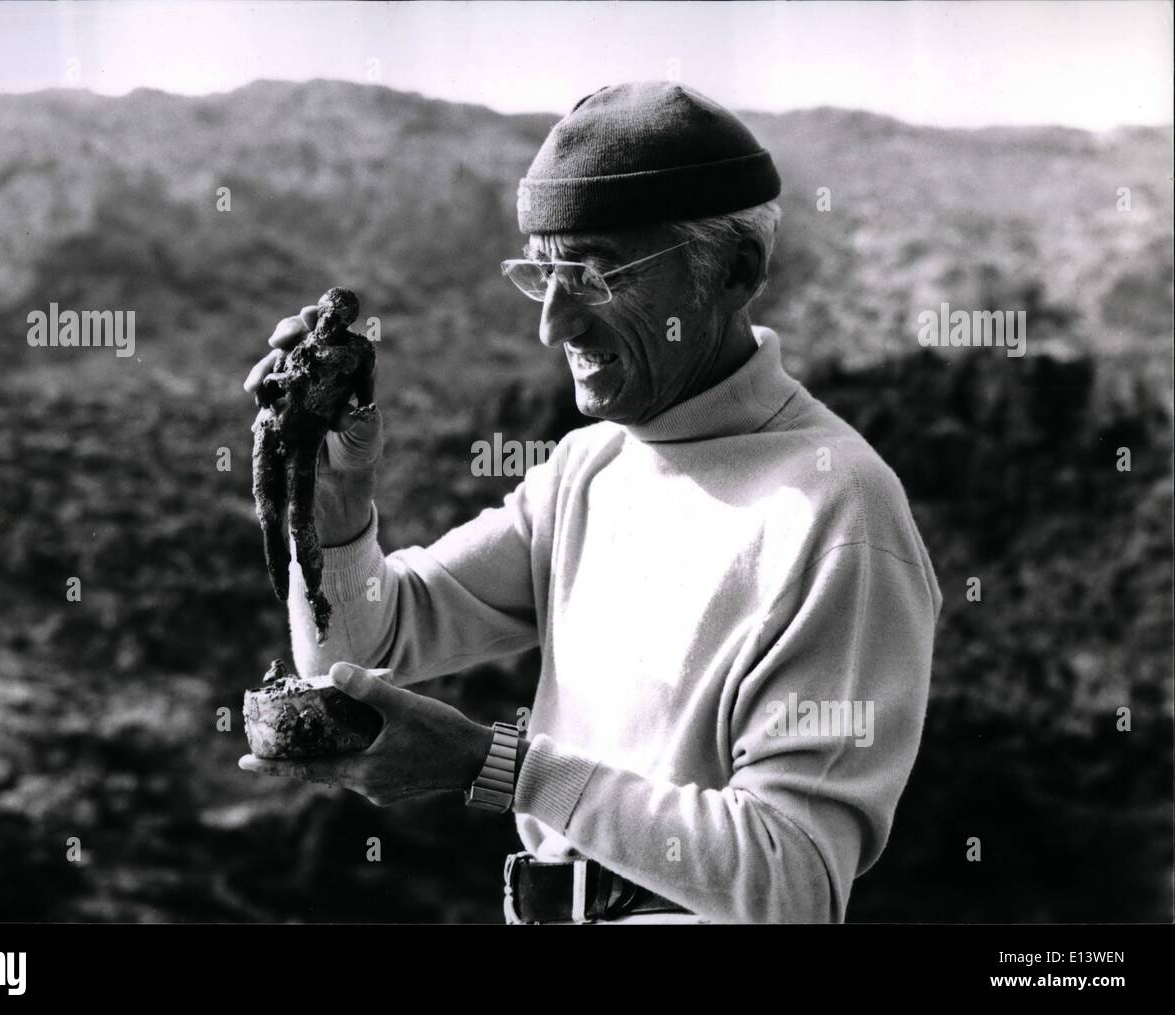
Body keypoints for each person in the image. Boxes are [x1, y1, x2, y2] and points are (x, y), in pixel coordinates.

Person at [239, 81, 942, 924]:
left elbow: (791, 877)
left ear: (735, 274)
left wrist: (492, 766)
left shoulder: (838, 514)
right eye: (542, 272)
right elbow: (364, 645)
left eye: (598, 274)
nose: (553, 324)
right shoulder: (590, 468)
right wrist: (334, 498)